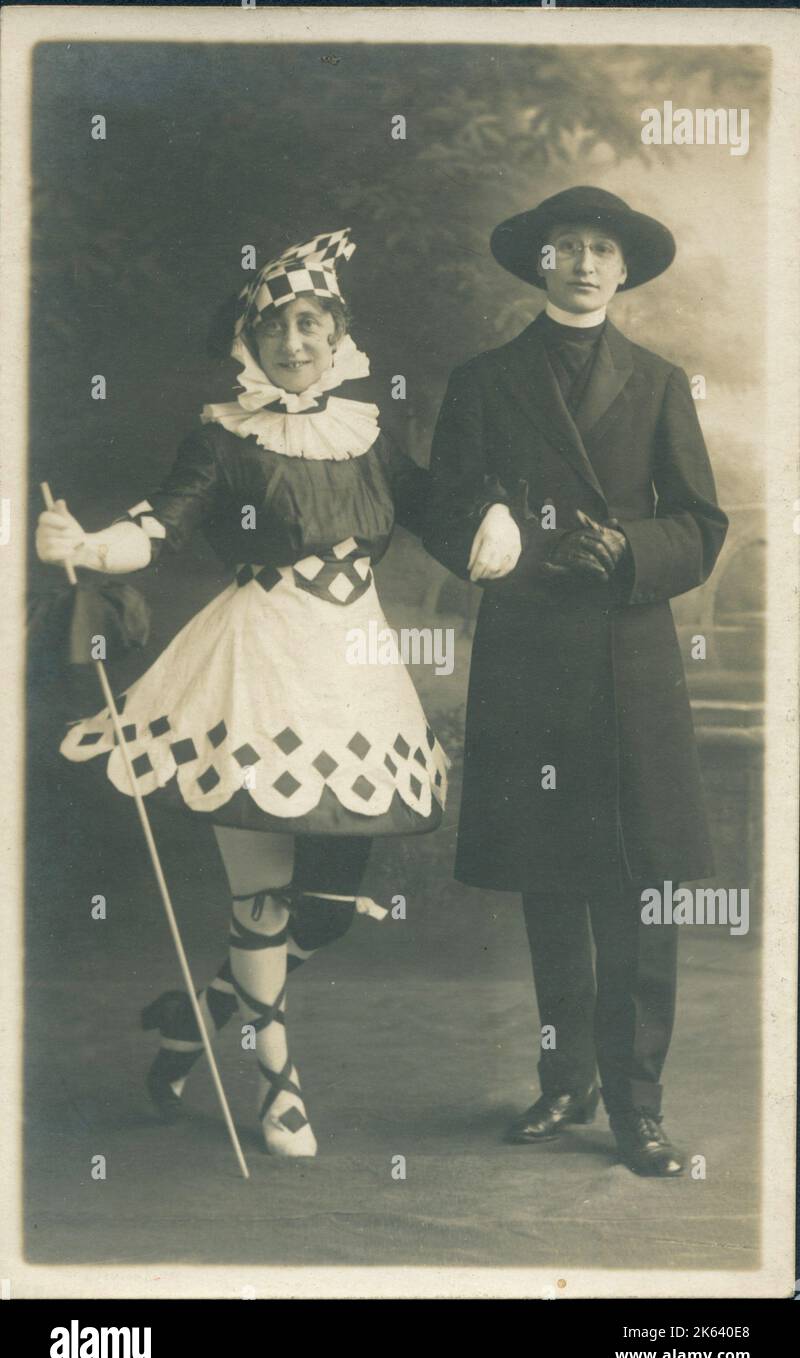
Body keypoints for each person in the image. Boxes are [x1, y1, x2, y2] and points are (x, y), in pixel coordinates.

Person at [36, 228, 448, 1159]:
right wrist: (91, 547)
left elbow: (439, 509)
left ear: (336, 332)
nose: (293, 344)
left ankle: (192, 1019)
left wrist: (498, 515)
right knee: (261, 897)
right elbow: (160, 524)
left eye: (309, 324)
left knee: (329, 914)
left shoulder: (373, 435)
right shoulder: (223, 439)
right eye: (275, 330)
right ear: (250, 346)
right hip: (254, 670)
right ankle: (279, 1088)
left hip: (354, 675)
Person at [423, 187, 728, 1177]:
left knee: (636, 887)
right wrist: (484, 529)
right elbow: (440, 503)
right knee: (550, 882)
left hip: (628, 662)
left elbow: (699, 524)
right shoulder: (482, 380)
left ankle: (635, 1108)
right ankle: (564, 1083)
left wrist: (627, 549)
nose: (584, 263)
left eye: (602, 249)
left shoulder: (658, 381)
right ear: (538, 263)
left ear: (623, 269)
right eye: (566, 247)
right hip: (531, 655)